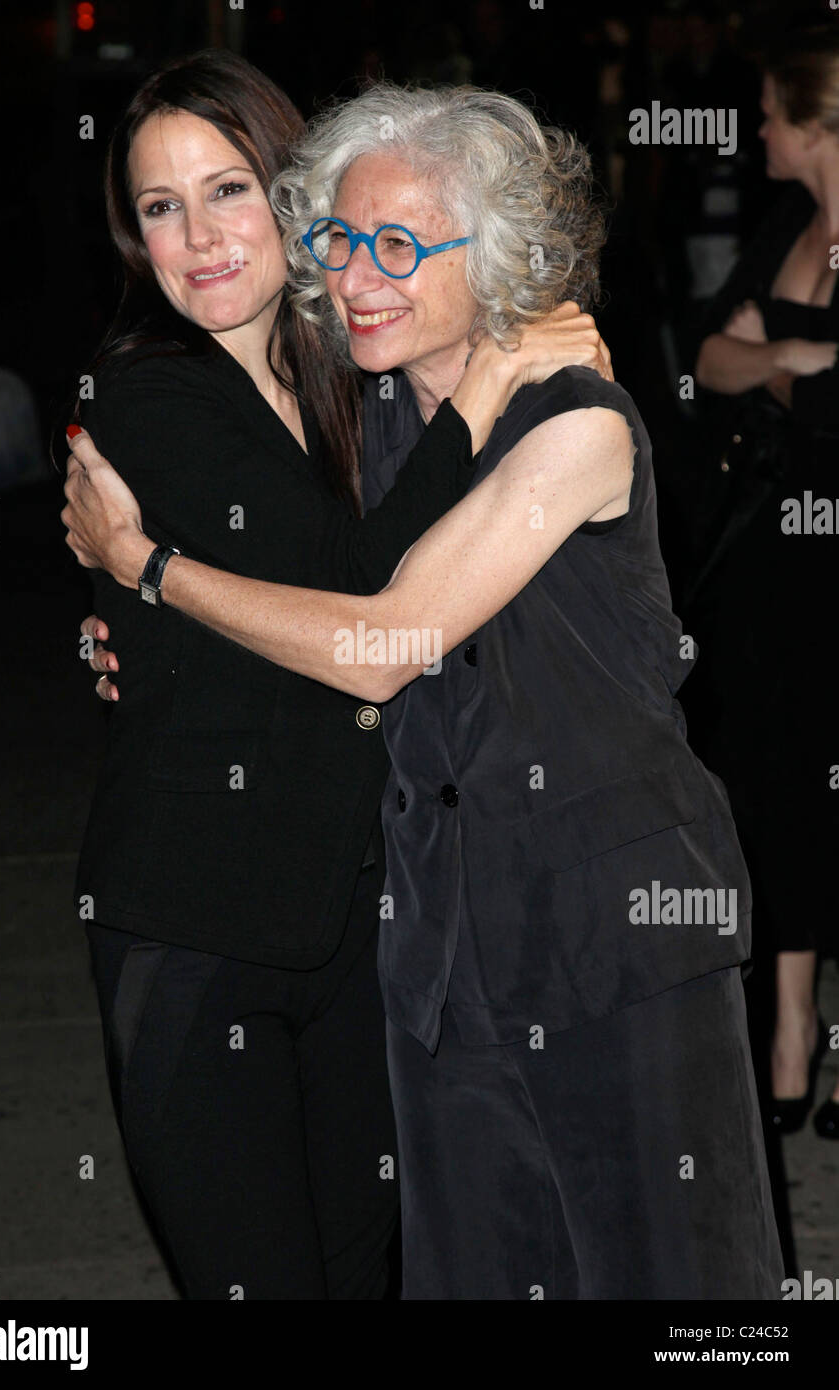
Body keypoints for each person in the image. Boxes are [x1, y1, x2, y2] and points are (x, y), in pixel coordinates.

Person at [64, 81, 784, 1299]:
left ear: (492, 253)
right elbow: (312, 571)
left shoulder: (565, 420)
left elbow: (380, 637)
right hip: (428, 958)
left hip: (610, 935)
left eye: (397, 245)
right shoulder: (367, 408)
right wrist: (128, 612)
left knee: (675, 1279)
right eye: (343, 241)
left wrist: (148, 573)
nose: (357, 276)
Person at [693, 21, 839, 1142]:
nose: (754, 132)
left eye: (767, 114)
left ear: (812, 122)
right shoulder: (790, 223)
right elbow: (707, 358)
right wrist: (803, 359)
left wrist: (772, 363)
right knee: (773, 781)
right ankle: (787, 1035)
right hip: (771, 562)